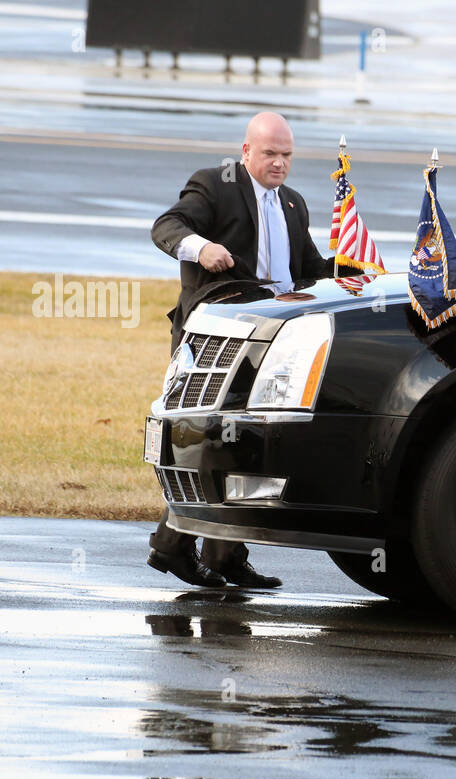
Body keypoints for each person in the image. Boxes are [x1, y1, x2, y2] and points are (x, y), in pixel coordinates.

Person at [147, 111, 345, 588]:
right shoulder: (215, 185)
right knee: (203, 442)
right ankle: (173, 546)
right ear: (247, 152)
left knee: (243, 446)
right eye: (271, 154)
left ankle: (223, 557)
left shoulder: (293, 205)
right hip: (216, 342)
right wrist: (200, 248)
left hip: (270, 343)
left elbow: (311, 271)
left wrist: (353, 268)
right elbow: (166, 226)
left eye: (287, 156)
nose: (279, 164)